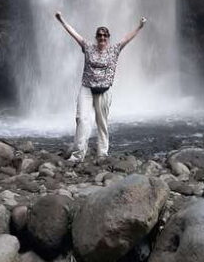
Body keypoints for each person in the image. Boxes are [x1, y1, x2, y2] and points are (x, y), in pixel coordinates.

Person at [55, 12, 146, 162]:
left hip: (104, 91)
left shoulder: (114, 50)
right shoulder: (88, 47)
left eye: (105, 35)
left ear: (108, 38)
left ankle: (102, 153)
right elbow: (73, 33)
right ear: (96, 37)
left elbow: (127, 38)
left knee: (101, 122)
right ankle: (78, 154)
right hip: (87, 88)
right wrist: (61, 20)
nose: (102, 38)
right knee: (82, 119)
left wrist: (140, 26)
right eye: (99, 35)